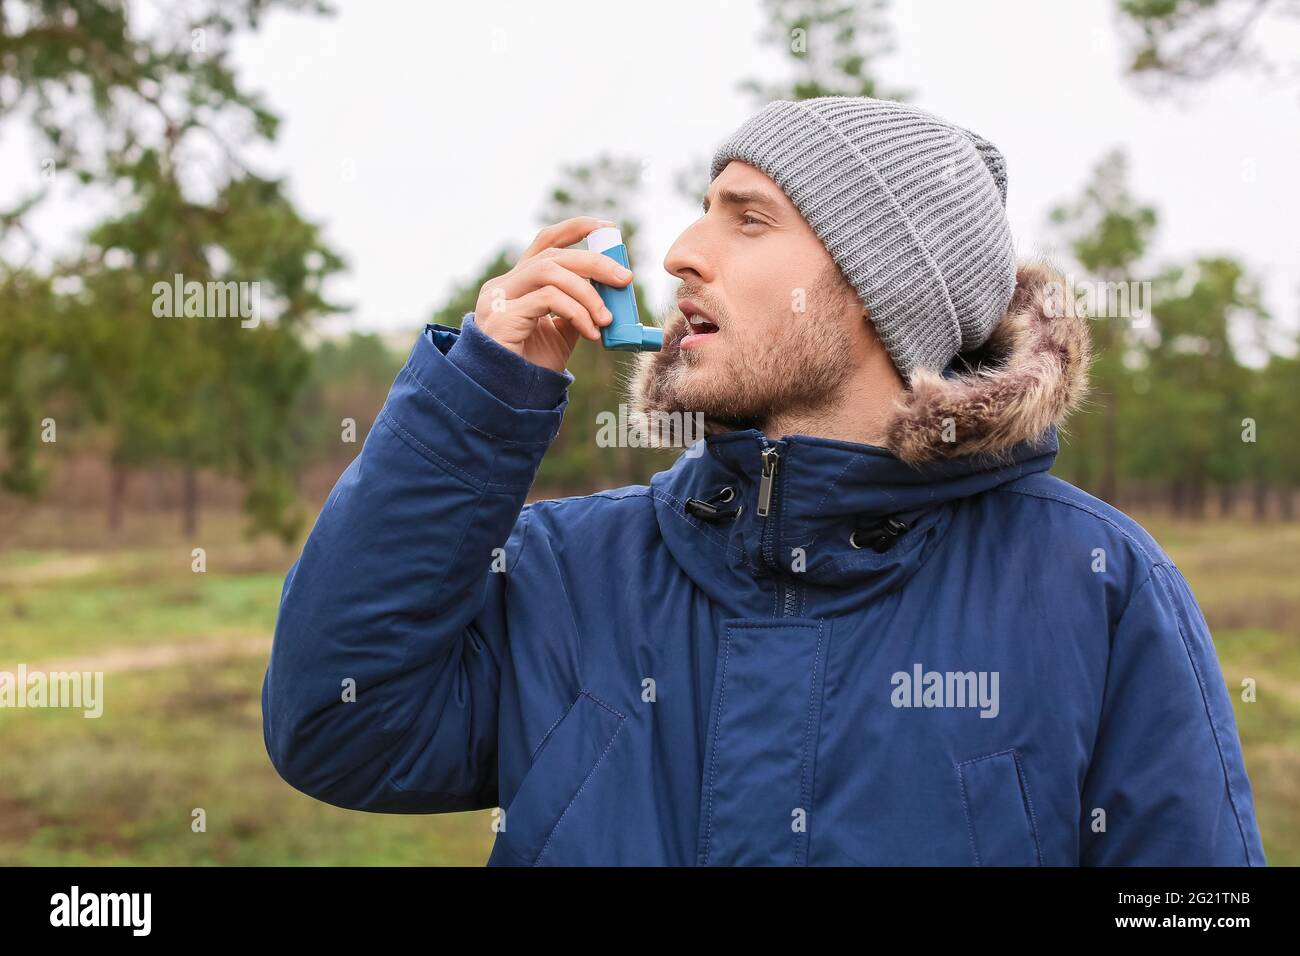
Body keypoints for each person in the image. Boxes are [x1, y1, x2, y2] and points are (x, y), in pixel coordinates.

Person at [261, 96, 1266, 866]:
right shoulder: (571, 573)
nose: (682, 251)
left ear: (882, 292)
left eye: (747, 220)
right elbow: (339, 729)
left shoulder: (1090, 585)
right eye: (702, 212)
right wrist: (480, 397)